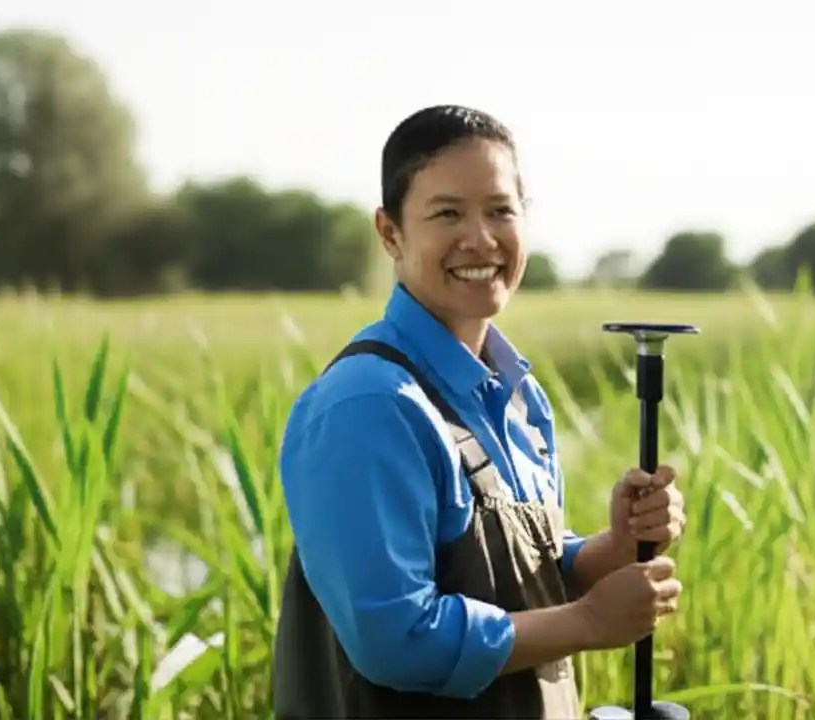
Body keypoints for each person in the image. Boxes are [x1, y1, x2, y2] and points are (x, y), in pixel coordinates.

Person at [272, 104, 686, 719]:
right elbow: (397, 640)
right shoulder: (369, 406)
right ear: (390, 232)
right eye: (447, 214)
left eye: (500, 210)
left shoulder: (518, 394)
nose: (480, 238)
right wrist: (590, 622)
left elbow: (524, 578)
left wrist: (616, 547)